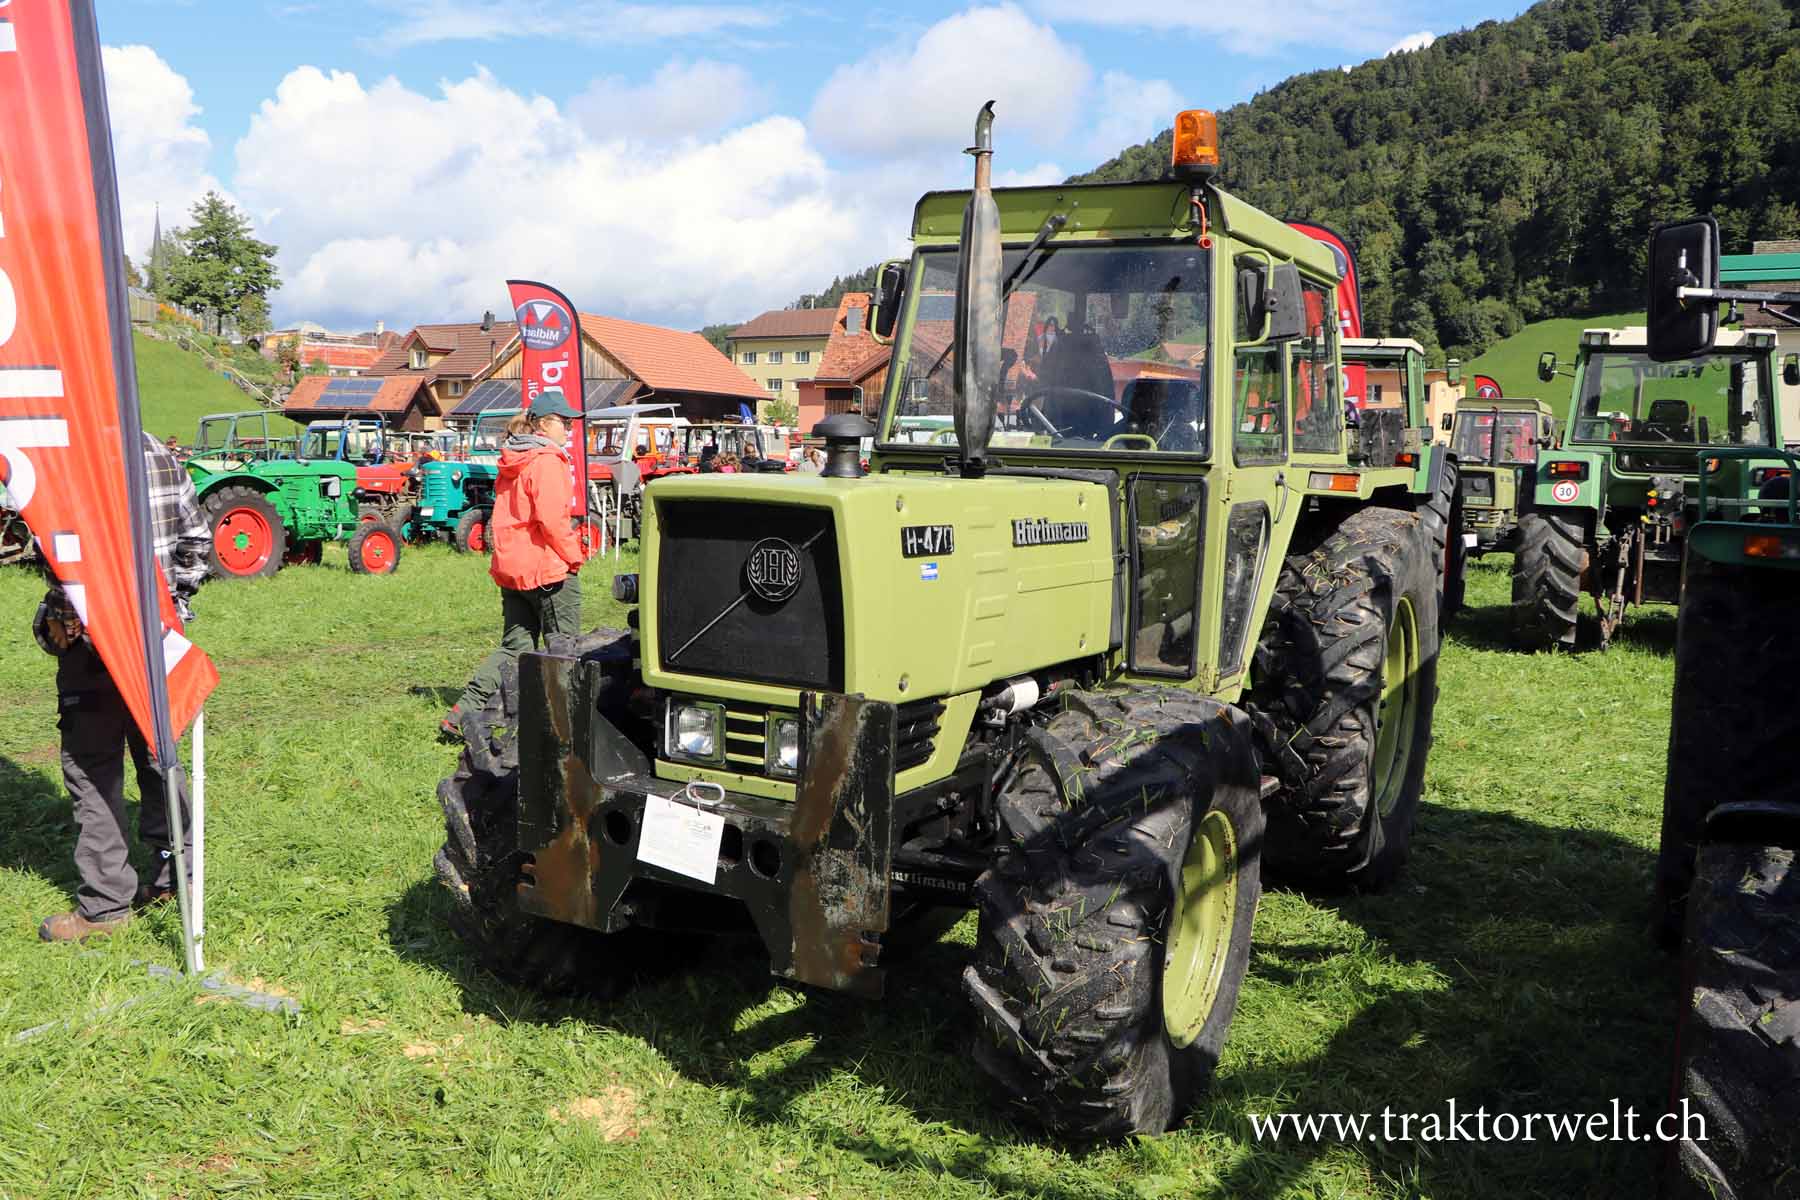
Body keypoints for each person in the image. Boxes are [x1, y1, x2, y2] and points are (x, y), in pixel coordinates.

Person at [35, 431, 210, 942]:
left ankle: (108, 907)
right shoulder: (158, 452)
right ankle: (172, 880)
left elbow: (53, 553)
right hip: (153, 639)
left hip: (91, 645)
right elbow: (197, 543)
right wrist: (169, 605)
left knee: (94, 772)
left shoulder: (64, 450)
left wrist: (63, 615)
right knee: (161, 761)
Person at [443, 389, 587, 740]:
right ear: (542, 424)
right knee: (562, 648)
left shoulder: (513, 457)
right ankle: (560, 728)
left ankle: (463, 713)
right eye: (563, 422)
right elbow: (553, 520)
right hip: (547, 569)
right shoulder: (548, 460)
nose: (569, 429)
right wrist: (574, 556)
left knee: (514, 648)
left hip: (512, 568)